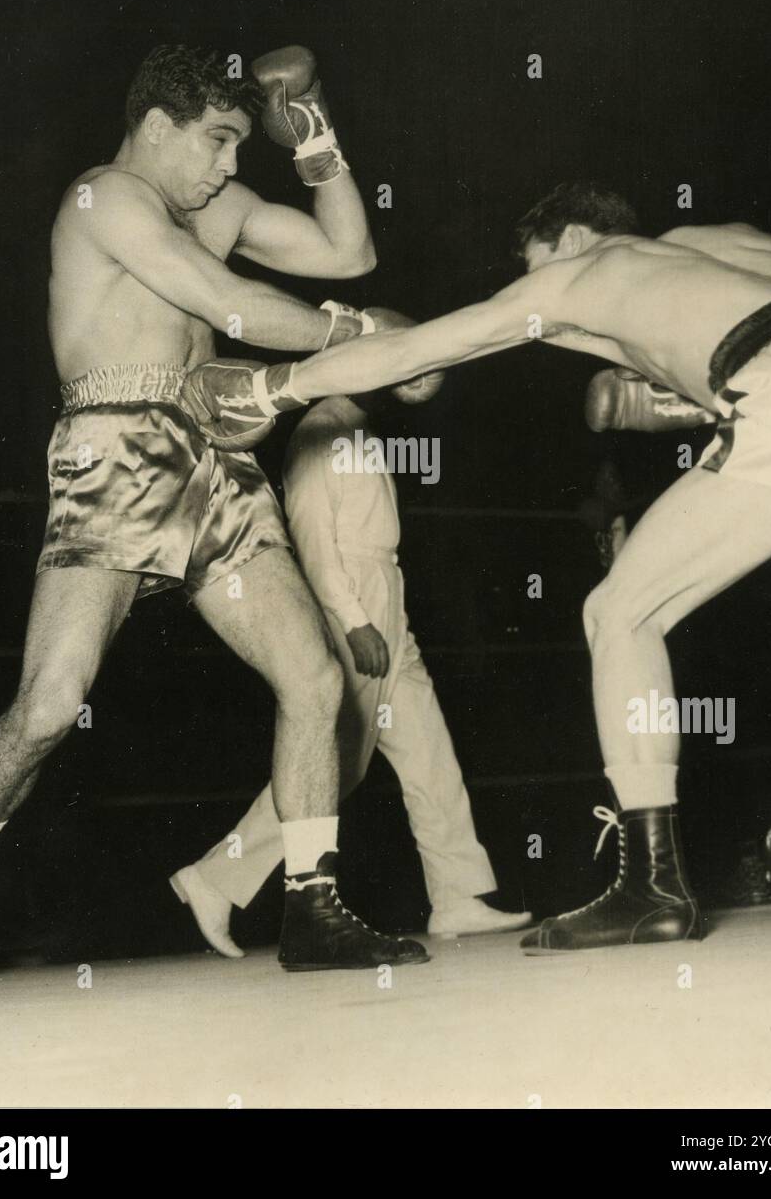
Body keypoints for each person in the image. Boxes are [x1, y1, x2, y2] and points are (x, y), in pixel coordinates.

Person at [184, 180, 771, 951]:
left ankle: (653, 887)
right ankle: (637, 888)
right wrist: (675, 398)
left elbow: (418, 348)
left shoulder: (574, 275)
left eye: (533, 268)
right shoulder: (726, 239)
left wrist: (274, 387)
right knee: (623, 605)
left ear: (567, 240)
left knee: (619, 613)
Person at [0, 44, 428, 995]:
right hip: (115, 447)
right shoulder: (103, 198)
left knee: (313, 678)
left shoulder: (217, 209)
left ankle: (310, 905)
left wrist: (312, 123)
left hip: (215, 457)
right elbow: (234, 306)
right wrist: (370, 335)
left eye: (241, 139)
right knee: (49, 704)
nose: (231, 163)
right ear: (158, 126)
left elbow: (350, 253)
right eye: (219, 140)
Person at [171, 378, 530, 952]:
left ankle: (459, 893)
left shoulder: (358, 427)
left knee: (428, 753)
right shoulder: (322, 430)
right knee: (335, 760)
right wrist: (354, 618)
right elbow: (313, 540)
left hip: (386, 596)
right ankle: (215, 878)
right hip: (354, 605)